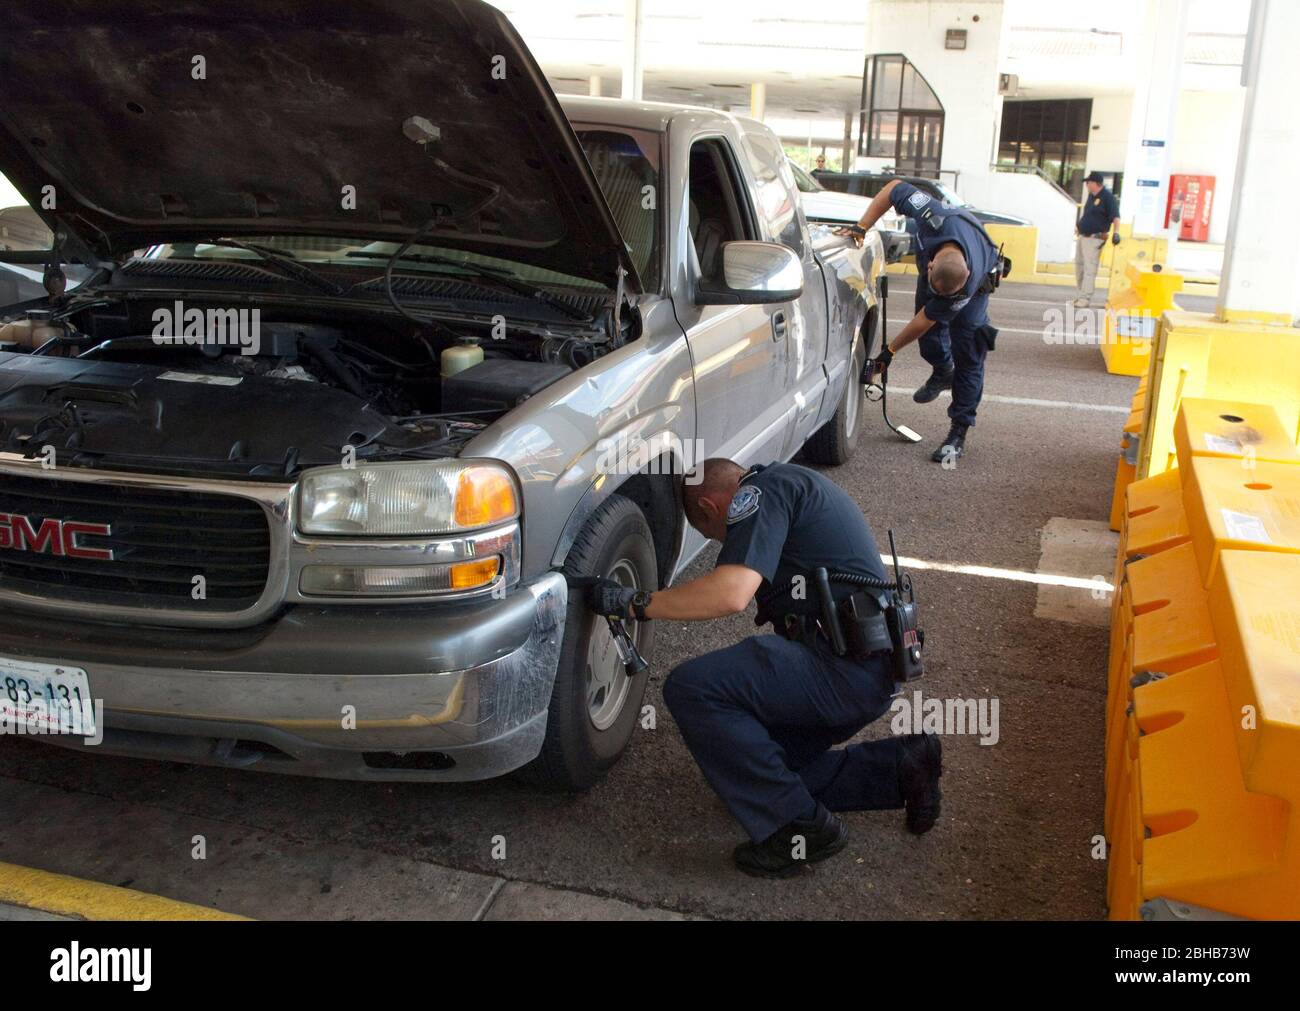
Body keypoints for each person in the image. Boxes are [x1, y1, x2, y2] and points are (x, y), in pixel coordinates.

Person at [583, 458, 942, 878]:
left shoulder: (758, 494)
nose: (726, 543)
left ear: (713, 509)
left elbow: (730, 593)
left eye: (716, 536)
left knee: (692, 688)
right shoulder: (797, 483)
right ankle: (902, 768)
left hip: (842, 669)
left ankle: (799, 828)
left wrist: (635, 603)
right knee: (758, 769)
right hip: (869, 669)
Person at [850, 178, 1001, 463]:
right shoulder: (932, 216)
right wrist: (862, 227)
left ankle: (958, 433)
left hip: (977, 292)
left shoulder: (966, 286)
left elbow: (925, 318)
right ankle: (943, 371)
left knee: (969, 357)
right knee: (929, 341)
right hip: (940, 275)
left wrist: (889, 352)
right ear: (929, 266)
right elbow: (894, 187)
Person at [1074, 170, 1121, 308]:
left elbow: (1116, 217)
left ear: (1095, 183)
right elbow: (1088, 214)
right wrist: (1079, 226)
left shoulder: (1108, 198)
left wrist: (1116, 233)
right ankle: (1080, 295)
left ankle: (1085, 298)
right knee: (1079, 267)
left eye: (1088, 182)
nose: (1087, 185)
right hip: (1083, 237)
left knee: (1089, 269)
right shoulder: (1091, 196)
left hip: (1095, 239)